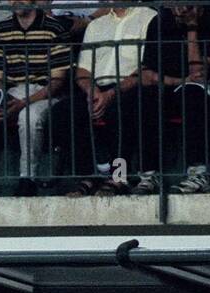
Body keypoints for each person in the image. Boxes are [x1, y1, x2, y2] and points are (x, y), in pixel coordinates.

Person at [0, 0, 73, 199]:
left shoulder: (55, 28)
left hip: (44, 93)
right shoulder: (0, 30)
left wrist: (23, 103)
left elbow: (57, 81)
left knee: (30, 115)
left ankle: (28, 178)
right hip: (12, 92)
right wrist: (0, 99)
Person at [137, 2, 210, 195]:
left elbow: (197, 71)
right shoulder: (160, 21)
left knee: (192, 92)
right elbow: (146, 74)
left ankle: (198, 172)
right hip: (171, 86)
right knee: (146, 96)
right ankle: (149, 174)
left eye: (187, 6)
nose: (181, 10)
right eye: (175, 5)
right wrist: (178, 80)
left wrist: (192, 28)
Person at [63, 3, 159, 196]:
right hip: (96, 87)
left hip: (131, 86)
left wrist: (111, 94)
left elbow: (146, 67)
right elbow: (82, 70)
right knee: (64, 112)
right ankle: (88, 175)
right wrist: (93, 91)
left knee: (120, 111)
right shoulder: (96, 25)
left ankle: (119, 176)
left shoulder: (150, 17)